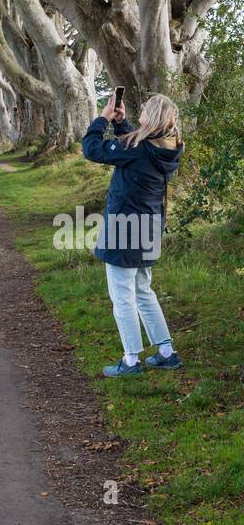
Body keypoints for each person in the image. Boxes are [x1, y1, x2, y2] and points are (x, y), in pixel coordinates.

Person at [82, 92, 184, 378]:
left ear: (151, 118)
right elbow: (137, 148)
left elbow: (92, 149)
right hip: (148, 227)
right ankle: (165, 352)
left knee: (123, 296)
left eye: (144, 110)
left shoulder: (137, 149)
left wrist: (103, 119)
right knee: (142, 291)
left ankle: (130, 359)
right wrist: (122, 123)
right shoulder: (169, 147)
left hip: (125, 229)